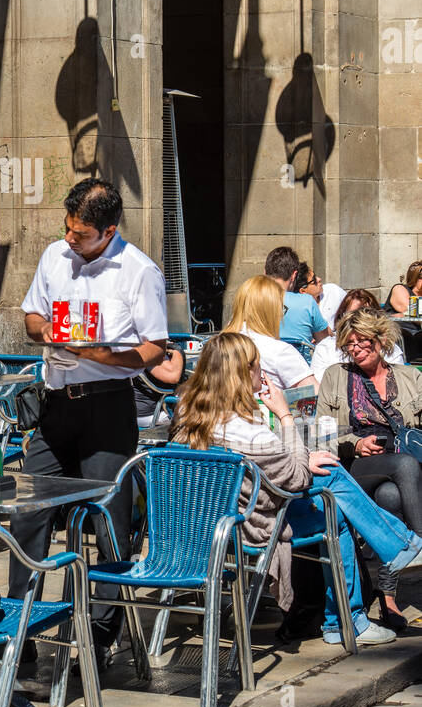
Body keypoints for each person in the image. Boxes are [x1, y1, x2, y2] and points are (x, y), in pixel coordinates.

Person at [171, 332, 422, 646]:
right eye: (257, 367)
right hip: (253, 525)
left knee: (334, 505)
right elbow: (295, 477)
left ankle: (362, 596)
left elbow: (278, 471)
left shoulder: (186, 415)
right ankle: (379, 576)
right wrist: (285, 416)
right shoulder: (244, 429)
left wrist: (302, 457)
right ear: (241, 374)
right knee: (331, 484)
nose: (262, 373)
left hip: (202, 525)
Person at [8, 177, 168, 668]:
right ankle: (21, 623)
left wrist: (95, 351)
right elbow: (31, 317)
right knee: (29, 509)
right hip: (57, 403)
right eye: (68, 228)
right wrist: (51, 331)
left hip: (107, 403)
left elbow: (154, 349)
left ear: (108, 230)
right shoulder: (56, 256)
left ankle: (100, 633)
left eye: (80, 233)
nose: (70, 239)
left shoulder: (139, 271)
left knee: (107, 518)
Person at [317, 307, 422, 630]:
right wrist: (354, 444)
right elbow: (321, 434)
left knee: (391, 496)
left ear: (381, 340)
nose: (357, 349)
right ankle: (417, 546)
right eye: (350, 344)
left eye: (364, 342)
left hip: (401, 467)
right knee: (403, 466)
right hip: (353, 468)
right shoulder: (336, 376)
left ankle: (387, 598)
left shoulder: (410, 377)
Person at [226, 275, 318, 391]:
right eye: (282, 308)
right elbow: (314, 394)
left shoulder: (219, 344)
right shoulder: (280, 351)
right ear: (270, 311)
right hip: (269, 408)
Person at [311, 289, 404, 383]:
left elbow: (398, 384)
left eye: (365, 316)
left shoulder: (390, 350)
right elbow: (321, 387)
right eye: (352, 316)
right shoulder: (325, 348)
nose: (357, 322)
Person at [265, 245, 329, 348]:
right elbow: (325, 340)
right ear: (294, 275)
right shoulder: (307, 302)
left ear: (265, 272)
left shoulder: (250, 299)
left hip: (261, 361)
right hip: (300, 362)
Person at [294, 263, 345, 332]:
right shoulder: (296, 310)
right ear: (303, 291)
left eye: (315, 275)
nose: (319, 279)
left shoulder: (333, 291)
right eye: (314, 280)